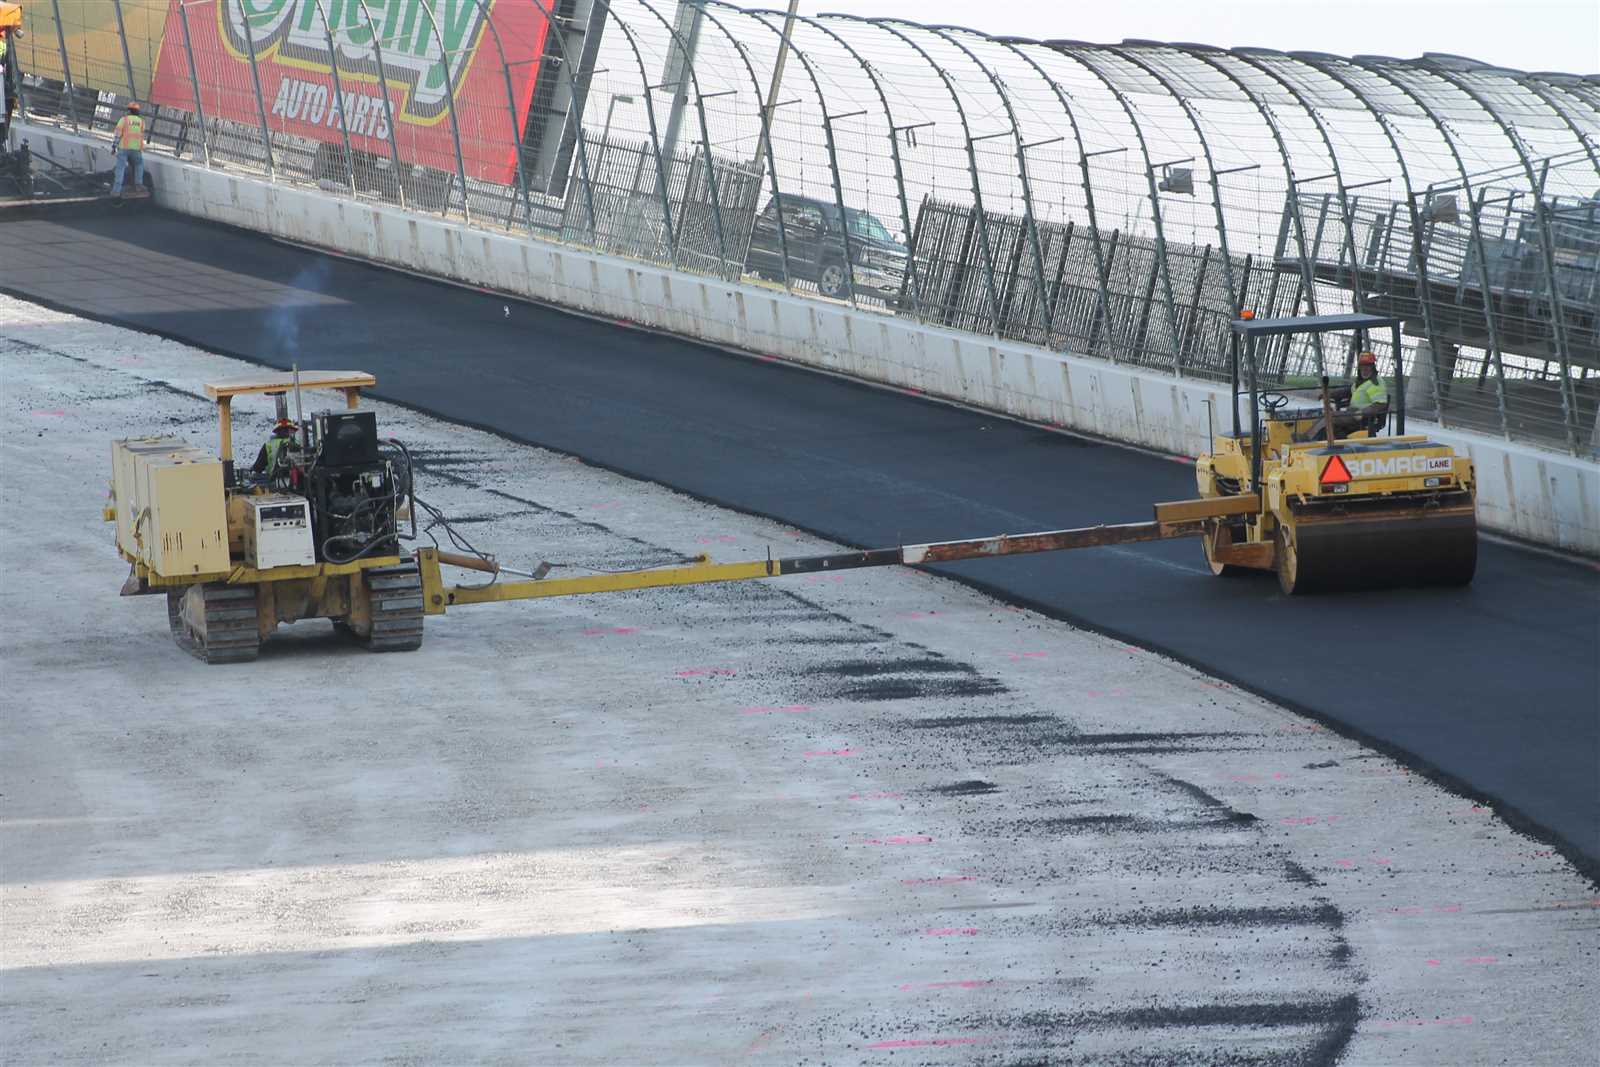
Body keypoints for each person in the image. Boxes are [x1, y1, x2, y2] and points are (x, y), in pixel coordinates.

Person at [1301, 351, 1389, 442]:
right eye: (1362, 366)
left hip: (1362, 418)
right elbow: (1347, 391)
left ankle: (1307, 439)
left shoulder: (1376, 383)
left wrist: (1361, 413)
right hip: (1352, 413)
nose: (1364, 369)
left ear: (1372, 367)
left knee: (1330, 416)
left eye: (1367, 366)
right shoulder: (1361, 381)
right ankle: (1315, 438)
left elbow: (1380, 405)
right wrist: (1328, 394)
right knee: (1325, 414)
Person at [110, 101, 145, 197]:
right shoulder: (141, 122)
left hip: (124, 148)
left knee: (120, 168)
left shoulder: (124, 120)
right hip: (136, 149)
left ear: (129, 111)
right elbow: (141, 136)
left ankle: (116, 190)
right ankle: (138, 185)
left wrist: (114, 146)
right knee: (139, 165)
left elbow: (117, 135)